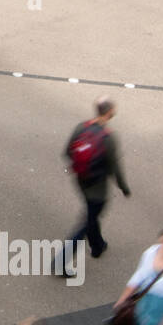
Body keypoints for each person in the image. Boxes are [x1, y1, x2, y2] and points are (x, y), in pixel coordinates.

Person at [60, 96, 130, 267]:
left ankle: (98, 245)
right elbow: (114, 168)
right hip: (97, 187)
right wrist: (124, 187)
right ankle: (61, 262)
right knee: (87, 221)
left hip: (81, 181)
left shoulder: (81, 128)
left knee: (92, 214)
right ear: (110, 113)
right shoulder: (109, 138)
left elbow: (67, 152)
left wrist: (82, 167)